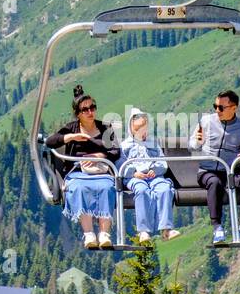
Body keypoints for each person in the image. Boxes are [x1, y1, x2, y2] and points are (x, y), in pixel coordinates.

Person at [45, 86, 121, 249]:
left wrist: (99, 156)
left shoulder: (104, 128)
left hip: (101, 170)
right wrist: (71, 137)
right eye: (85, 109)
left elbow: (115, 151)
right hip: (77, 171)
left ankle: (104, 233)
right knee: (79, 188)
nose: (90, 112)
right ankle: (89, 234)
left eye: (92, 108)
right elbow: (50, 141)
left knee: (107, 187)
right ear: (78, 113)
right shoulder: (72, 128)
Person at [193, 89, 240, 245]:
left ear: (234, 108)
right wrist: (198, 141)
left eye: (221, 108)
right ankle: (217, 228)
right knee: (214, 183)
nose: (217, 110)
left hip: (231, 171)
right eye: (215, 106)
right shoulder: (206, 122)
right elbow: (193, 145)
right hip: (208, 170)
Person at [119, 109, 180, 244]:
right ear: (131, 129)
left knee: (164, 189)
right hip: (135, 177)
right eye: (138, 129)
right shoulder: (124, 146)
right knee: (141, 191)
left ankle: (166, 229)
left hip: (154, 176)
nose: (142, 132)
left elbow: (162, 162)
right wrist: (134, 173)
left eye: (144, 129)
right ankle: (143, 231)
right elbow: (121, 166)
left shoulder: (153, 143)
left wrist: (155, 169)